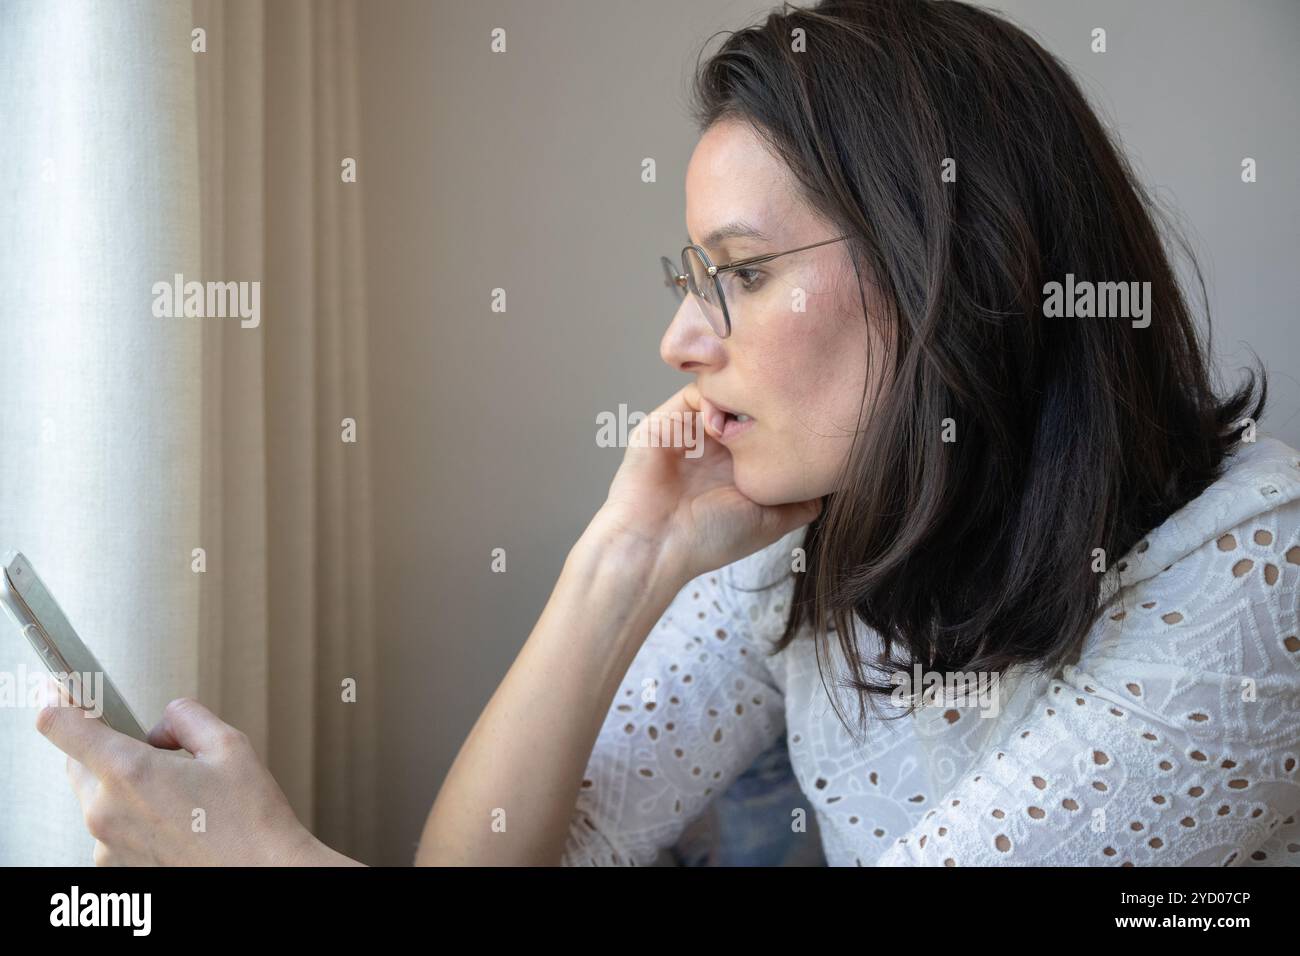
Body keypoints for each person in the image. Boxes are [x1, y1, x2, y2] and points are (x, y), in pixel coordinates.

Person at [38, 0, 1300, 867]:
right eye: (693, 277)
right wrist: (621, 561)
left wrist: (259, 854)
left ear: (949, 273)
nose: (682, 341)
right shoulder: (812, 529)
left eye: (742, 273)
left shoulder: (1254, 571)